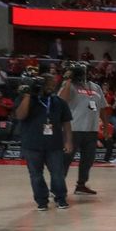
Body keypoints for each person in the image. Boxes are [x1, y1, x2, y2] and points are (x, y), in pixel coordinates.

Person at [14, 71, 73, 210]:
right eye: (48, 84)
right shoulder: (26, 98)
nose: (51, 87)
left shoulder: (58, 102)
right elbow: (20, 116)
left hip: (54, 144)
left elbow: (66, 123)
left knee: (58, 173)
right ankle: (42, 201)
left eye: (53, 84)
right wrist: (28, 95)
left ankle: (60, 197)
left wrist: (68, 141)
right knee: (36, 175)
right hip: (32, 145)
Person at [58, 62, 108, 195]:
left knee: (88, 160)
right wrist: (68, 80)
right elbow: (62, 99)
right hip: (73, 129)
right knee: (66, 159)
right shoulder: (69, 86)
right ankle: (57, 185)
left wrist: (106, 126)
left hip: (91, 129)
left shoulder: (96, 87)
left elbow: (102, 107)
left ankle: (81, 185)